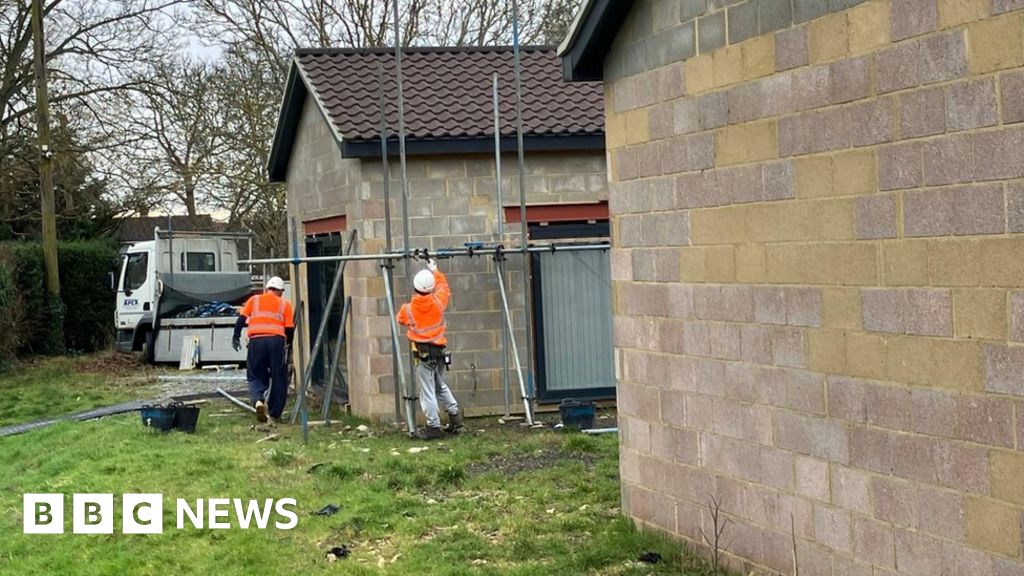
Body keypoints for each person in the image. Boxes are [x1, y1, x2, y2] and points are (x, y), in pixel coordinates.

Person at [397, 259, 464, 439]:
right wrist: (435, 270)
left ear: (415, 287)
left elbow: (400, 319)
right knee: (438, 384)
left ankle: (433, 427)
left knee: (427, 390)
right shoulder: (438, 302)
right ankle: (455, 415)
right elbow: (444, 287)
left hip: (423, 354)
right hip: (440, 352)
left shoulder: (408, 309)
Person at [232, 276, 295, 424]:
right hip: (276, 342)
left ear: (266, 289)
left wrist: (235, 336)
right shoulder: (285, 304)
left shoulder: (254, 300)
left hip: (256, 341)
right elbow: (290, 329)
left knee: (255, 375)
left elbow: (241, 319)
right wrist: (288, 344)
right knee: (279, 377)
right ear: (281, 291)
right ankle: (274, 413)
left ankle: (258, 401)